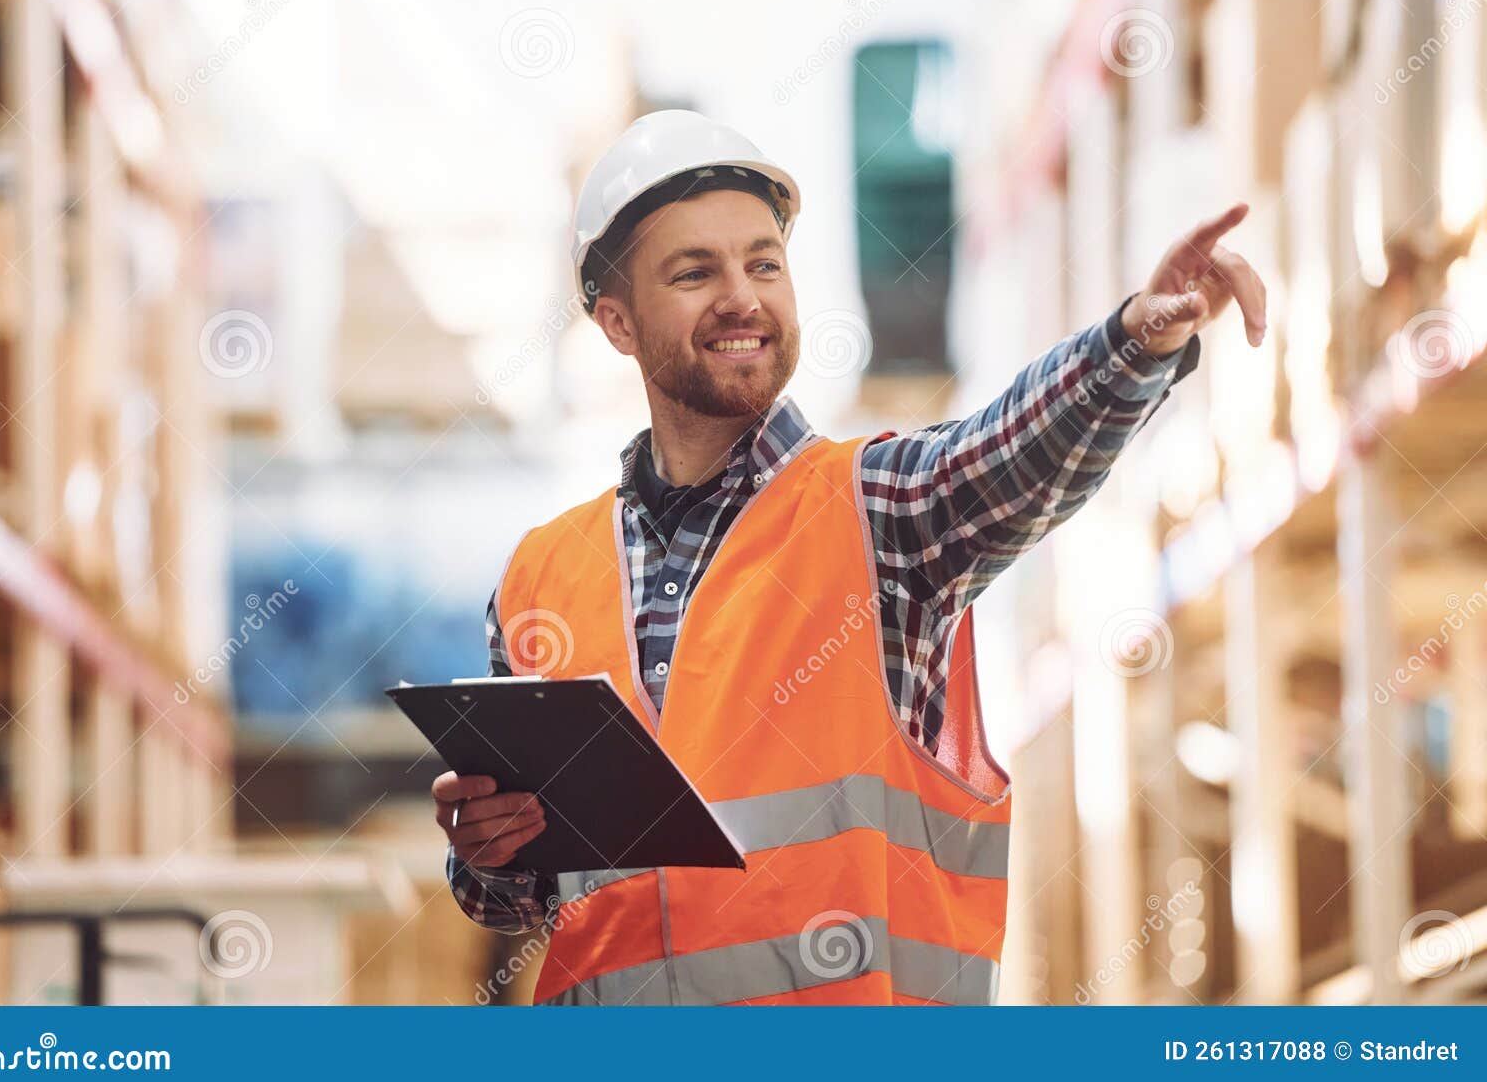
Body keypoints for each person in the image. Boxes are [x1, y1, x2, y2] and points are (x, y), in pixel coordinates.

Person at [432, 110, 1266, 1005]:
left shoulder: (876, 510)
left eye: (763, 262)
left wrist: (1139, 339)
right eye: (694, 272)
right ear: (617, 323)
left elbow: (1011, 453)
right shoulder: (539, 580)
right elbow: (522, 895)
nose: (742, 296)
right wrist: (486, 848)